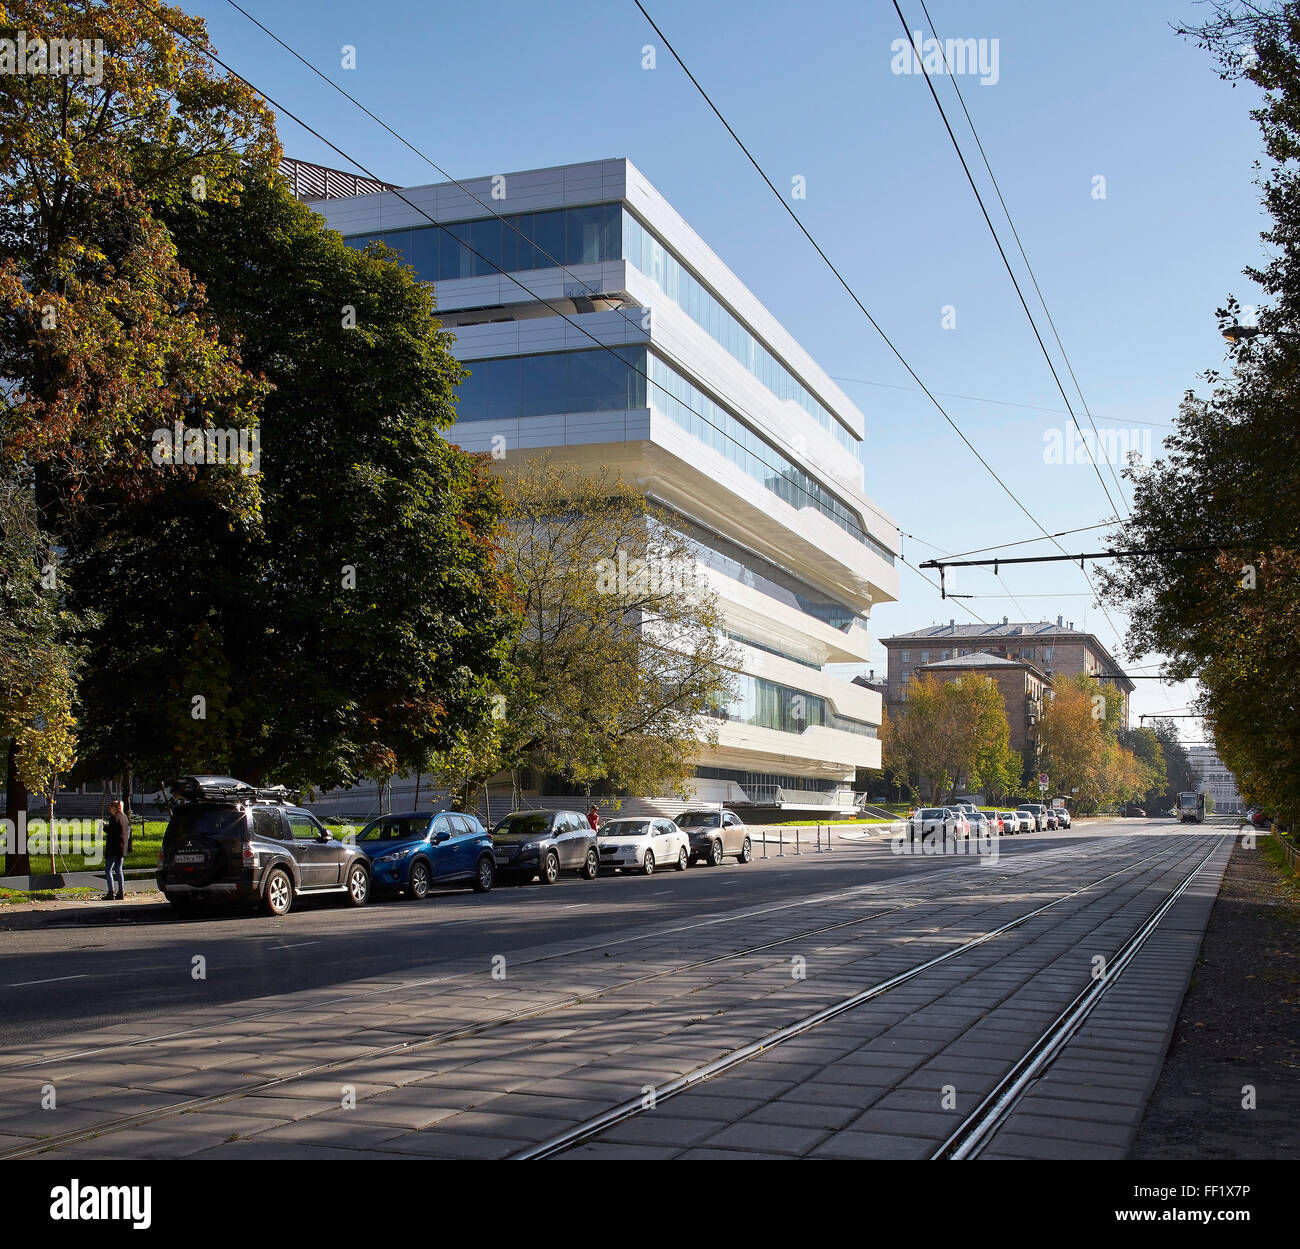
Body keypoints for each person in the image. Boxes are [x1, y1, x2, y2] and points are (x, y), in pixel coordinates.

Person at [103, 800, 129, 901]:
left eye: (111, 806)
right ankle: (121, 892)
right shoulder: (124, 817)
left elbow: (110, 832)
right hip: (122, 848)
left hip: (113, 848)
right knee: (119, 870)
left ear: (116, 807)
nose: (110, 808)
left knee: (108, 870)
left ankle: (111, 892)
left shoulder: (114, 818)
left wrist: (105, 826)